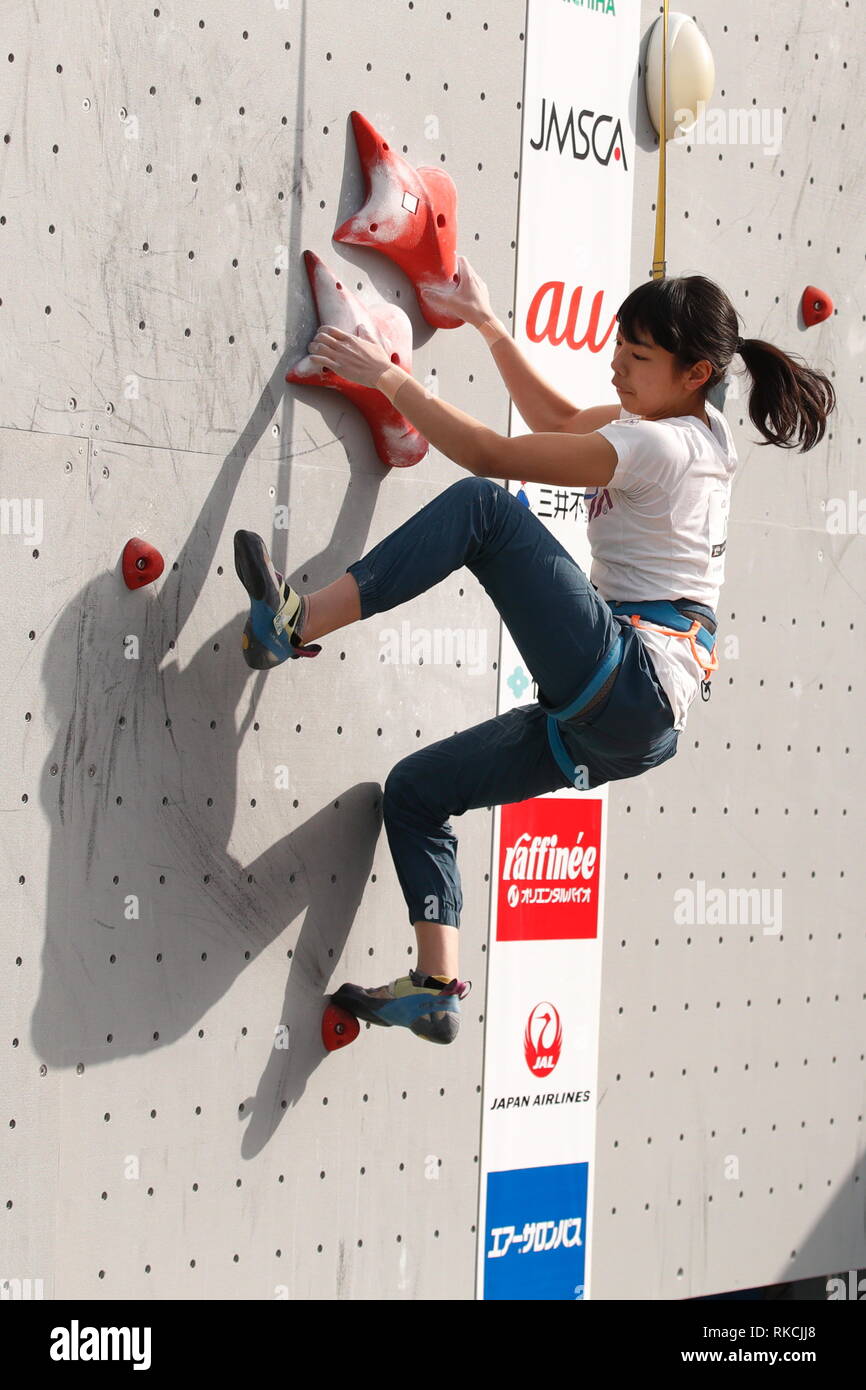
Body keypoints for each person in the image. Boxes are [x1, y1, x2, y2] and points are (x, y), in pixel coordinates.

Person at [233, 258, 836, 1045]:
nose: (616, 364)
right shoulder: (694, 429)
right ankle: (436, 985)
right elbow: (558, 418)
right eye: (619, 345)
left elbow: (491, 456)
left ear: (695, 375)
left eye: (637, 356)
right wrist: (487, 323)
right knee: (414, 793)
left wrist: (387, 377)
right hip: (620, 724)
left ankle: (294, 623)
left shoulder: (662, 449)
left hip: (630, 680)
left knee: (485, 510)